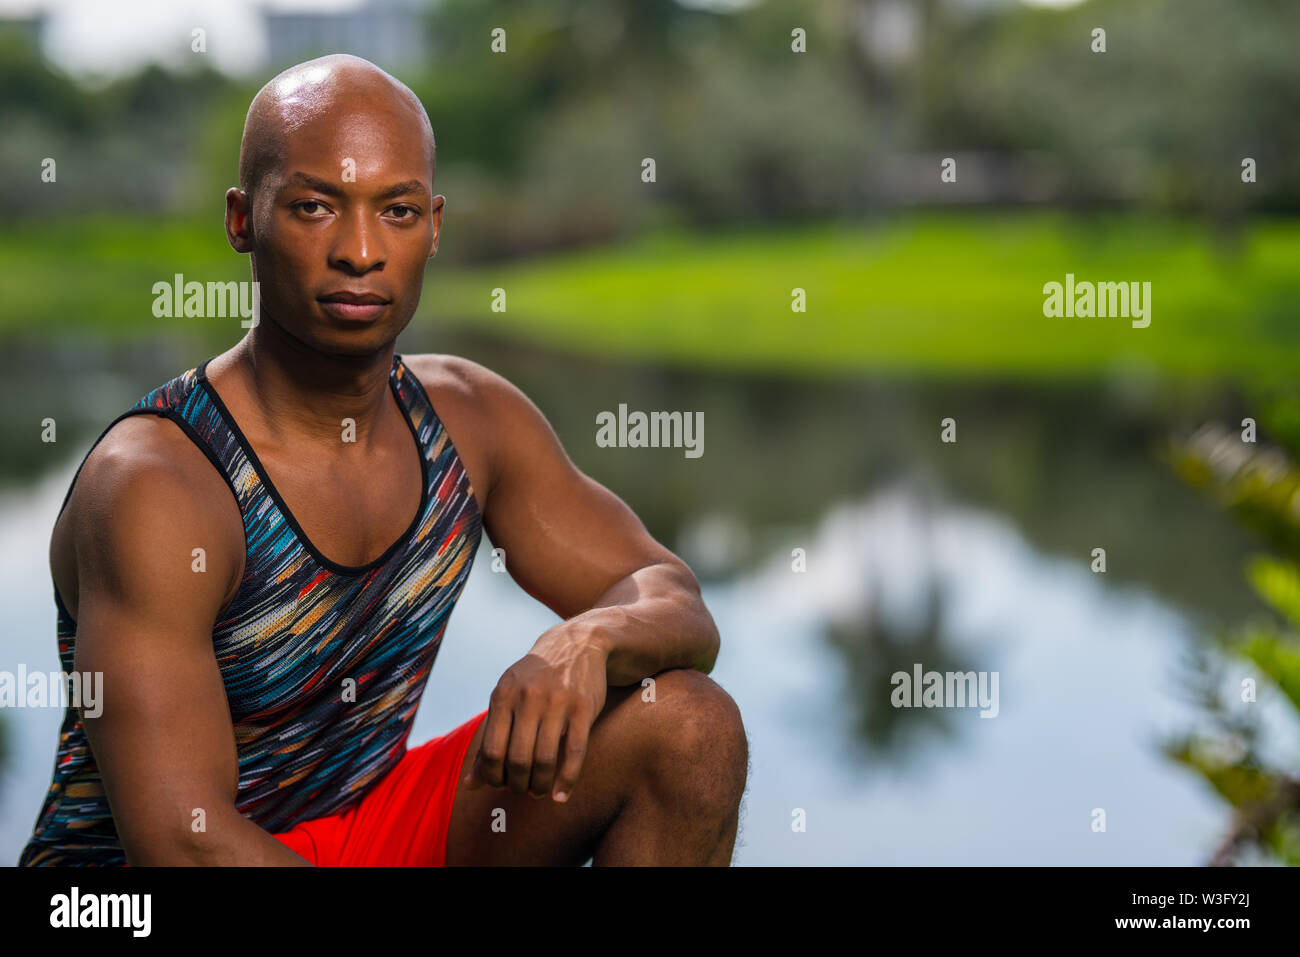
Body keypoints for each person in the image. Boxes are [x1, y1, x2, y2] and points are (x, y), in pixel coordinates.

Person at [19, 54, 747, 867]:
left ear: (434, 225)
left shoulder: (471, 420)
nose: (360, 251)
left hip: (355, 837)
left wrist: (586, 643)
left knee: (688, 727)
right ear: (241, 219)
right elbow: (183, 846)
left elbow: (673, 596)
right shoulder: (159, 484)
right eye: (315, 207)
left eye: (396, 211)